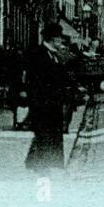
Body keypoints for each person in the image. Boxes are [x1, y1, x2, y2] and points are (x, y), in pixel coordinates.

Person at [25, 22, 71, 171]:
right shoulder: (39, 54)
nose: (61, 42)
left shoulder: (54, 55)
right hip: (43, 104)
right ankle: (42, 166)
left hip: (52, 103)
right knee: (45, 134)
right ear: (52, 39)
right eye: (59, 39)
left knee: (51, 134)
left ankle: (44, 164)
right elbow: (36, 81)